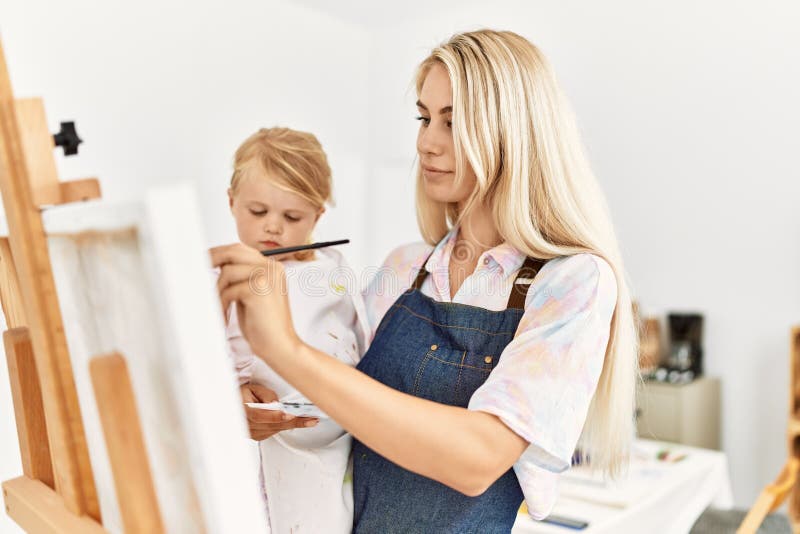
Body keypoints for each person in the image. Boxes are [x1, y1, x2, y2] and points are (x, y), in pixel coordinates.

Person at [213, 29, 638, 533]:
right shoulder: (402, 269)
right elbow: (345, 404)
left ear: (513, 133)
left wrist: (285, 349)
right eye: (424, 117)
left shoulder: (572, 283)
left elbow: (477, 460)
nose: (425, 142)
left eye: (452, 123)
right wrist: (256, 403)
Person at [222, 127, 370, 533]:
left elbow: (359, 347)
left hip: (324, 444)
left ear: (318, 215)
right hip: (249, 442)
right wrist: (230, 394)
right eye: (257, 212)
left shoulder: (331, 272)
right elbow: (202, 361)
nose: (273, 228)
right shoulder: (224, 276)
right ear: (232, 202)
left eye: (292, 217)